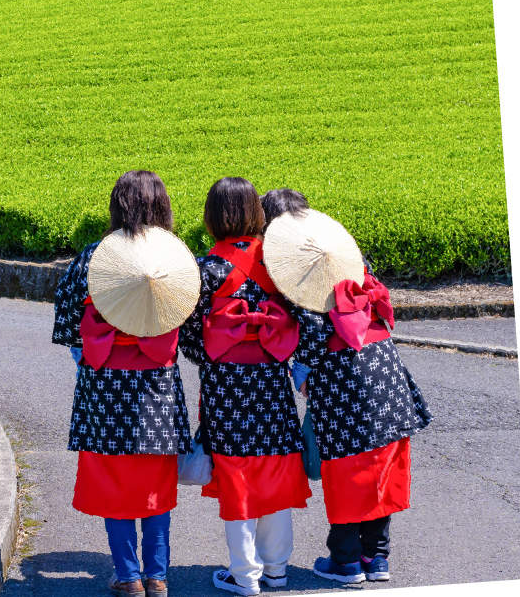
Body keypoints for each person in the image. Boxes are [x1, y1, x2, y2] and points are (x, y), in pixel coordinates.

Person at [264, 190, 429, 586]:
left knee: (346, 469)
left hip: (343, 376)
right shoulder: (340, 249)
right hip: (383, 365)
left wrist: (299, 373)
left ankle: (347, 562)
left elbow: (313, 333)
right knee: (382, 462)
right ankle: (377, 559)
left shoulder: (294, 267)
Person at [52, 170, 200, 597]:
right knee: (156, 485)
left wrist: (94, 356)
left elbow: (67, 324)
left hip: (106, 388)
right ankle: (157, 575)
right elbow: (190, 323)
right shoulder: (173, 257)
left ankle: (128, 576)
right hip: (156, 385)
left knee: (114, 484)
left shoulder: (94, 256)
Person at [179, 178, 308, 596]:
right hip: (272, 384)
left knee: (236, 474)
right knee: (275, 470)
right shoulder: (277, 265)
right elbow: (304, 324)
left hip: (226, 388)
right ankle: (277, 570)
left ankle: (245, 575)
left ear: (212, 218)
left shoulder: (204, 270)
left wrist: (219, 354)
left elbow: (190, 339)